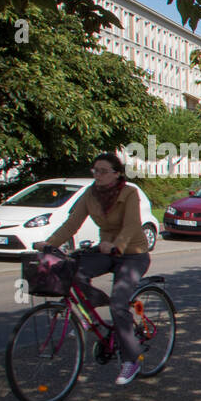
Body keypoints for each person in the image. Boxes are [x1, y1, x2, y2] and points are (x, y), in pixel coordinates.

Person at [33, 153, 151, 386]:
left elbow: (131, 226)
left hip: (132, 254)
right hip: (105, 251)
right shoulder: (90, 195)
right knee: (74, 272)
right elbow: (71, 224)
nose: (97, 175)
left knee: (119, 304)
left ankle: (132, 359)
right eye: (95, 170)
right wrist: (49, 244)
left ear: (117, 174)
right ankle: (97, 317)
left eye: (103, 171)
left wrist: (117, 246)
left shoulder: (129, 193)